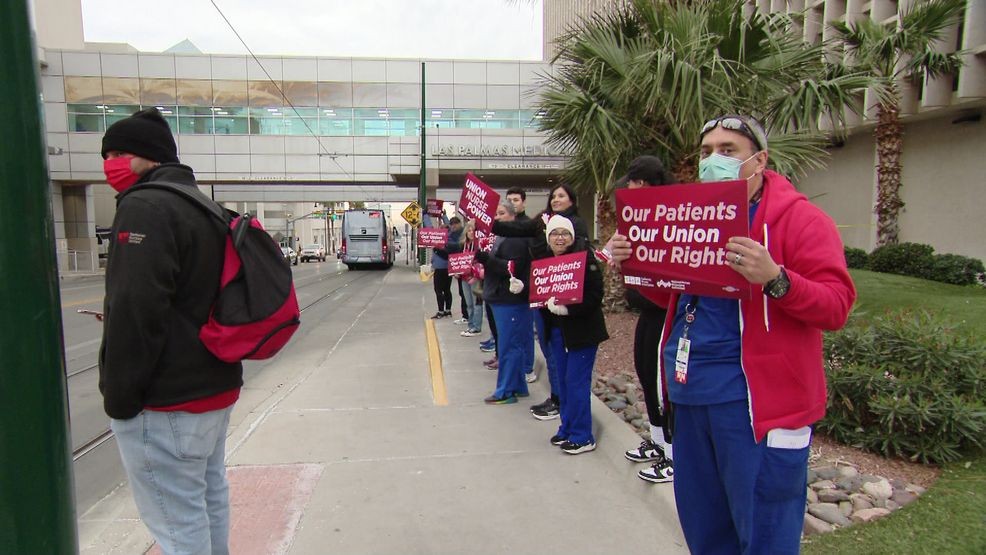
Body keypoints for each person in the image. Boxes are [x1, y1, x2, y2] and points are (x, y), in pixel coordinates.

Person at [608, 114, 856, 553]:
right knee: (706, 533)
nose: (713, 161)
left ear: (759, 160)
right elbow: (677, 300)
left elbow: (836, 305)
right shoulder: (690, 215)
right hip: (689, 397)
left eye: (727, 151)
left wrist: (775, 278)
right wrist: (638, 266)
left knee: (764, 537)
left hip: (755, 408)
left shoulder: (800, 220)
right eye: (706, 152)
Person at [98, 108, 243, 555]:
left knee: (178, 524)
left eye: (121, 152)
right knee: (207, 499)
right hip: (214, 386)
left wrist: (120, 398)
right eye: (107, 154)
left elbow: (136, 309)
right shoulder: (204, 205)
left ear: (149, 156)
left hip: (166, 400)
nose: (110, 163)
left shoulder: (145, 207)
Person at [492, 183, 588, 421]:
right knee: (549, 348)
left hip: (565, 296)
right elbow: (517, 229)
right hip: (542, 293)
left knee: (561, 350)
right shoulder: (541, 222)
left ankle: (560, 400)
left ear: (572, 201)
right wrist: (489, 223)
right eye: (553, 195)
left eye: (562, 196)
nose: (556, 199)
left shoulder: (577, 225)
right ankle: (556, 396)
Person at [610, 156, 676, 483]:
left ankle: (674, 454)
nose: (630, 188)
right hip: (646, 310)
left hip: (668, 311)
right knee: (646, 372)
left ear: (645, 183)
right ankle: (658, 440)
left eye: (634, 182)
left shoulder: (671, 215)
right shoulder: (637, 220)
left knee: (665, 383)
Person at [541, 215, 609, 454]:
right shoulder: (547, 262)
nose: (560, 238)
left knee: (576, 382)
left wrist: (569, 309)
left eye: (564, 233)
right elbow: (538, 294)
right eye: (554, 233)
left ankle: (582, 435)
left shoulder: (585, 259)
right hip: (558, 332)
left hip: (582, 332)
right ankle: (568, 428)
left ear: (572, 236)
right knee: (563, 381)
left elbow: (595, 295)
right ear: (548, 238)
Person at [474, 200, 532, 404]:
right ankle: (517, 386)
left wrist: (485, 259)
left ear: (512, 215)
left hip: (510, 300)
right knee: (511, 345)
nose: (497, 218)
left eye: (501, 213)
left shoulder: (515, 239)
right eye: (495, 214)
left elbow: (511, 268)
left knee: (509, 346)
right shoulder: (504, 237)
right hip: (504, 299)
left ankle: (506, 391)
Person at [505, 186, 539, 384]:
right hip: (508, 286)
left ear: (524, 202)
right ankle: (518, 365)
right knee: (513, 330)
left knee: (525, 330)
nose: (512, 203)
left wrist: (526, 283)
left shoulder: (530, 226)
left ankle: (527, 367)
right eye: (509, 200)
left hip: (525, 286)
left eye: (516, 200)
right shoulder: (506, 225)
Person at [457, 219, 484, 337]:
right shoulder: (463, 245)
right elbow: (457, 260)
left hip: (476, 278)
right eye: (469, 230)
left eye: (473, 230)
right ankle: (471, 325)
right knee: (468, 303)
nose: (471, 232)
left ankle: (477, 327)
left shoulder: (480, 245)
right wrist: (456, 271)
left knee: (476, 302)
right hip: (464, 278)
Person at [430, 218, 454, 319]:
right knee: (447, 289)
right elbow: (450, 225)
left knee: (438, 290)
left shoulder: (439, 240)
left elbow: (429, 228)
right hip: (448, 268)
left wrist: (426, 215)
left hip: (440, 269)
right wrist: (444, 216)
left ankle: (441, 311)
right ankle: (448, 310)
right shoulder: (451, 239)